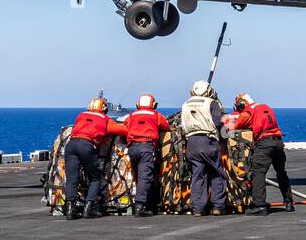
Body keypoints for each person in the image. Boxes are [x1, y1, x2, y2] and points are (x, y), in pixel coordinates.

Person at [231, 93, 294, 216]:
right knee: (281, 172)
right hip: (278, 142)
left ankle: (259, 206)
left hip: (264, 144)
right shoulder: (265, 107)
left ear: (243, 104)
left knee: (258, 173)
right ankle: (289, 202)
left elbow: (236, 125)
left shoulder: (249, 110)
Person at [64, 97, 127, 220]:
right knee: (95, 178)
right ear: (104, 108)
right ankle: (90, 208)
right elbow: (123, 130)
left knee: (72, 179)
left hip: (71, 145)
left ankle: (70, 209)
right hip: (86, 146)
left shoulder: (81, 116)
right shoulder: (105, 119)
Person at [180, 80, 226, 215]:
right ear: (208, 90)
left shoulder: (186, 104)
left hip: (192, 143)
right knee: (217, 173)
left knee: (198, 175)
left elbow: (183, 125)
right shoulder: (211, 103)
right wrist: (228, 135)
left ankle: (198, 208)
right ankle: (218, 206)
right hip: (208, 141)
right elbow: (219, 123)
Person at [125, 94, 170, 217]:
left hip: (132, 148)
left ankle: (141, 203)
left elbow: (124, 127)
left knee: (137, 176)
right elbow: (166, 127)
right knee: (145, 176)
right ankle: (140, 206)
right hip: (146, 147)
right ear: (154, 105)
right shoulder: (156, 115)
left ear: (137, 105)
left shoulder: (132, 115)